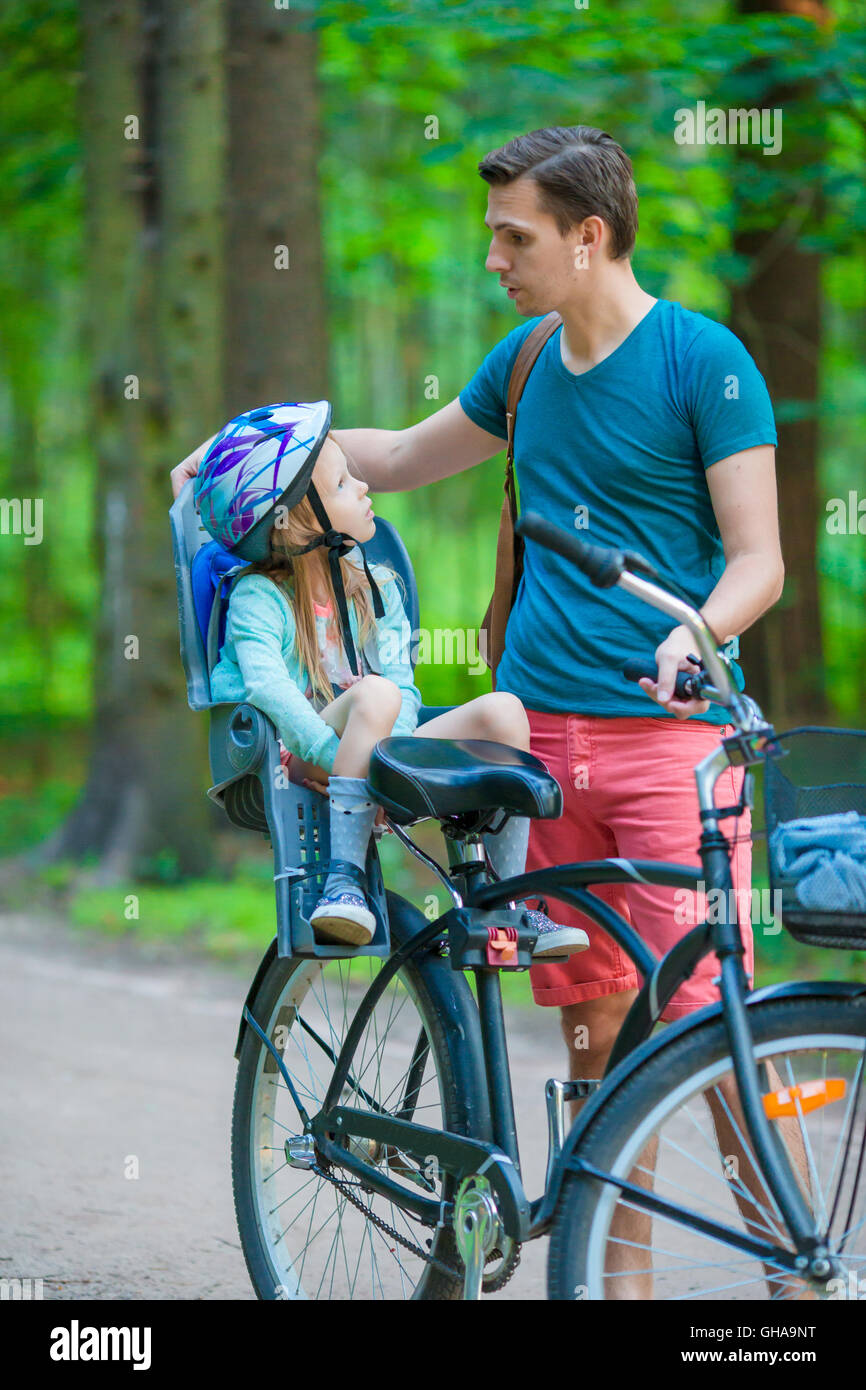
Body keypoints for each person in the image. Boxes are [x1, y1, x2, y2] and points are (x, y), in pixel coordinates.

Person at [193, 399, 590, 956]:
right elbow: (266, 687)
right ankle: (343, 883)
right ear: (298, 518)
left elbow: (403, 689)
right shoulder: (261, 597)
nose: (361, 485)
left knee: (505, 711)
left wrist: (384, 761)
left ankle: (502, 902)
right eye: (341, 481)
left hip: (374, 750)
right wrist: (337, 755)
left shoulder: (376, 587)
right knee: (372, 693)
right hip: (297, 756)